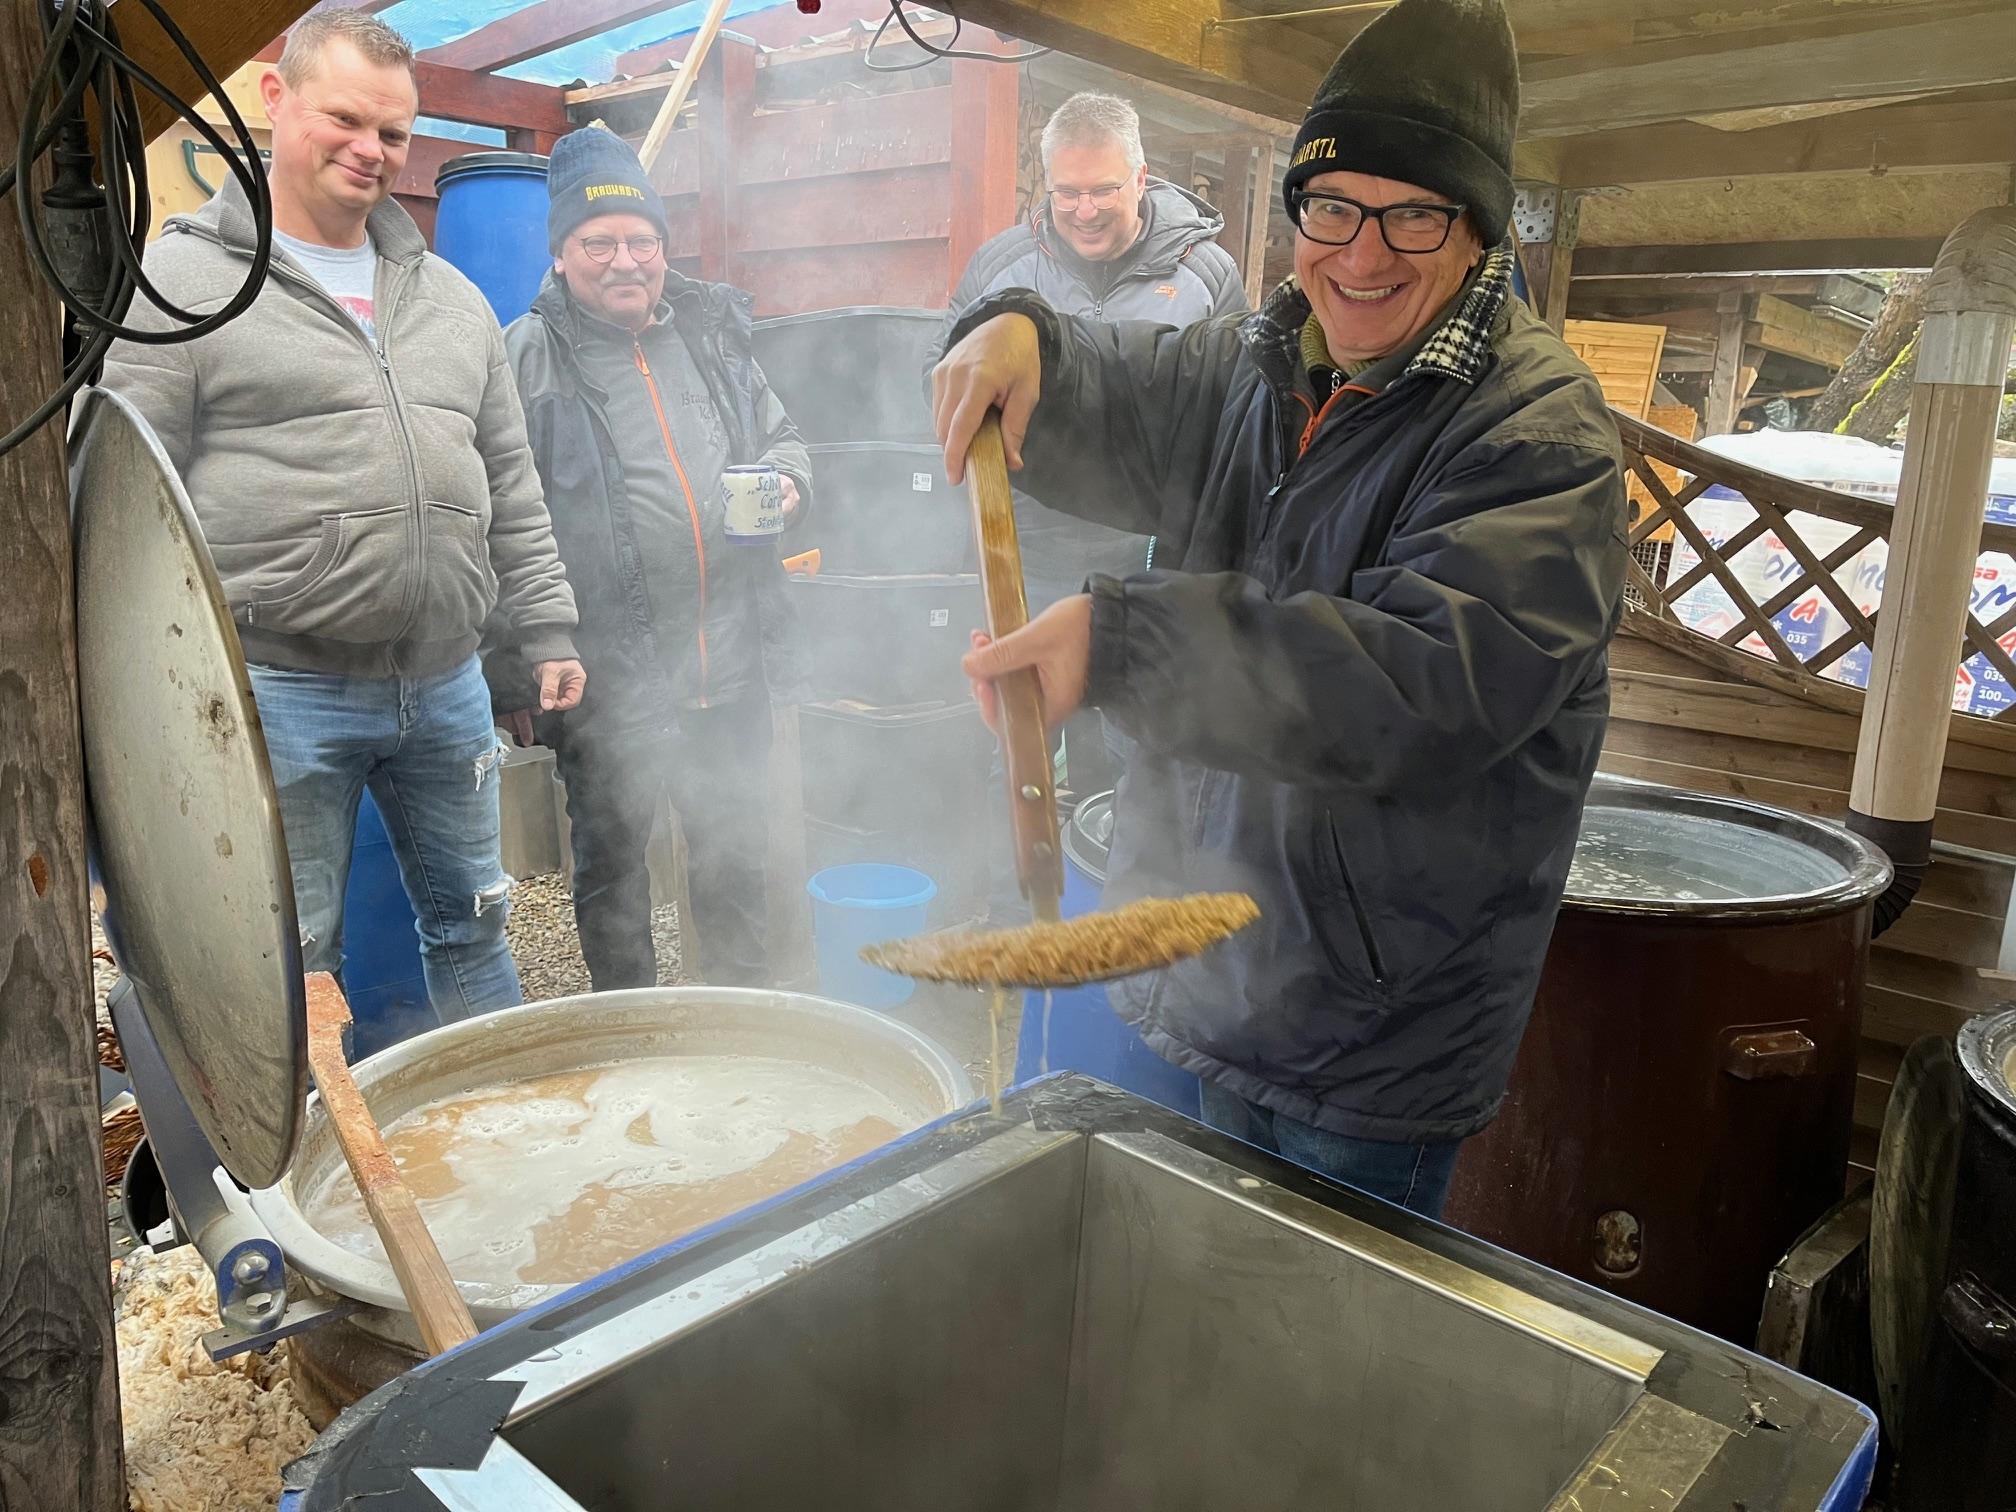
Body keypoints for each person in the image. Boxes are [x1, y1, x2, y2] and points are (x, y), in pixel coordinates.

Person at [931, 0, 1627, 1219]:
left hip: (1370, 1034)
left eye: (1415, 213)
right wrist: (1021, 332)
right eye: (1334, 207)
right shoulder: (1254, 362)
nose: (1361, 257)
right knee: (1180, 1324)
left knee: (1319, 1376)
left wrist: (1128, 644)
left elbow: (1420, 683)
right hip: (1206, 971)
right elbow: (1114, 386)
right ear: (1298, 213)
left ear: (1477, 231)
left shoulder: (1537, 431)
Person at [101, 8, 583, 1023]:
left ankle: (490, 1145)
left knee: (477, 924)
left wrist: (544, 625)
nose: (371, 151)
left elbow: (510, 477)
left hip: (446, 684)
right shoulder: (181, 283)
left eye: (394, 134)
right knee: (287, 961)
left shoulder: (453, 302)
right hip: (276, 688)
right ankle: (304, 1172)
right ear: (276, 99)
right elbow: (120, 510)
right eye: (347, 119)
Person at [500, 126, 812, 991]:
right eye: (598, 242)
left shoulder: (712, 338)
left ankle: (736, 1023)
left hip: (731, 664)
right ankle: (632, 1035)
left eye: (643, 241)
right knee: (613, 873)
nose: (625, 260)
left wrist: (788, 482)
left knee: (732, 855)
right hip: (610, 682)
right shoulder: (523, 359)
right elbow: (493, 516)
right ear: (561, 254)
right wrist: (515, 664)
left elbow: (784, 438)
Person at [943, 91, 1248, 913]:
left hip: (1142, 568)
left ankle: (1115, 936)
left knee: (1136, 761)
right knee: (1018, 755)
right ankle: (1010, 928)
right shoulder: (1001, 269)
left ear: (1141, 178)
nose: (1083, 209)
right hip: (1026, 557)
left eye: (1103, 190)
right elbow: (952, 386)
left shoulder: (1205, 273)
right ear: (1044, 185)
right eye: (1066, 191)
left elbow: (1237, 418)